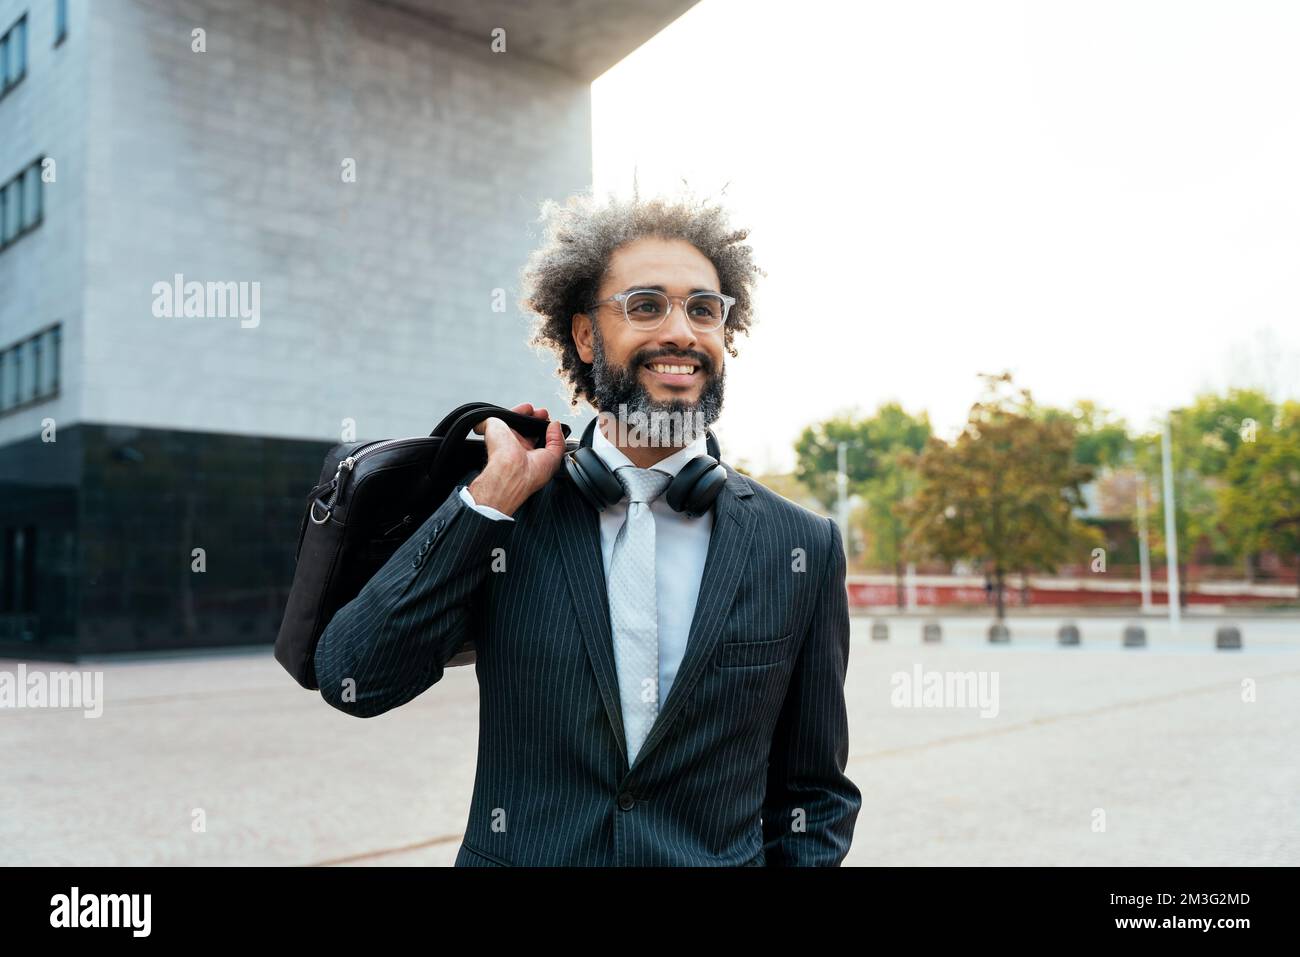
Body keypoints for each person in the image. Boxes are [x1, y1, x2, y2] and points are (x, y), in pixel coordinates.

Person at [313, 191, 861, 866]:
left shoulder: (802, 544)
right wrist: (484, 502)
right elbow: (354, 679)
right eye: (646, 305)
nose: (682, 333)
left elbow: (817, 795)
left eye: (703, 309)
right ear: (583, 335)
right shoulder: (506, 512)